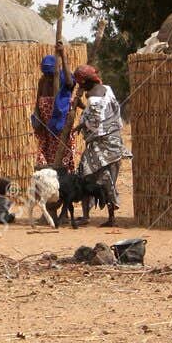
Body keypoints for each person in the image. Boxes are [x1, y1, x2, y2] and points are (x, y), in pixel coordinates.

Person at [72, 63, 124, 228]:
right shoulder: (107, 89)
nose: (79, 86)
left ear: (85, 82)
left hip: (100, 145)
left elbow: (94, 123)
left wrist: (81, 124)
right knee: (108, 179)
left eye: (80, 83)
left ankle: (88, 216)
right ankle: (110, 217)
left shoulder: (93, 99)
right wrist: (81, 107)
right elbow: (103, 113)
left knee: (86, 176)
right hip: (115, 141)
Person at [31, 52, 76, 169]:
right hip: (46, 130)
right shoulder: (42, 82)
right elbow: (37, 102)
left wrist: (63, 56)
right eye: (46, 75)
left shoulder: (62, 80)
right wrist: (37, 116)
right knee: (45, 159)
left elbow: (70, 82)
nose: (49, 78)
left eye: (51, 75)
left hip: (61, 128)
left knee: (63, 158)